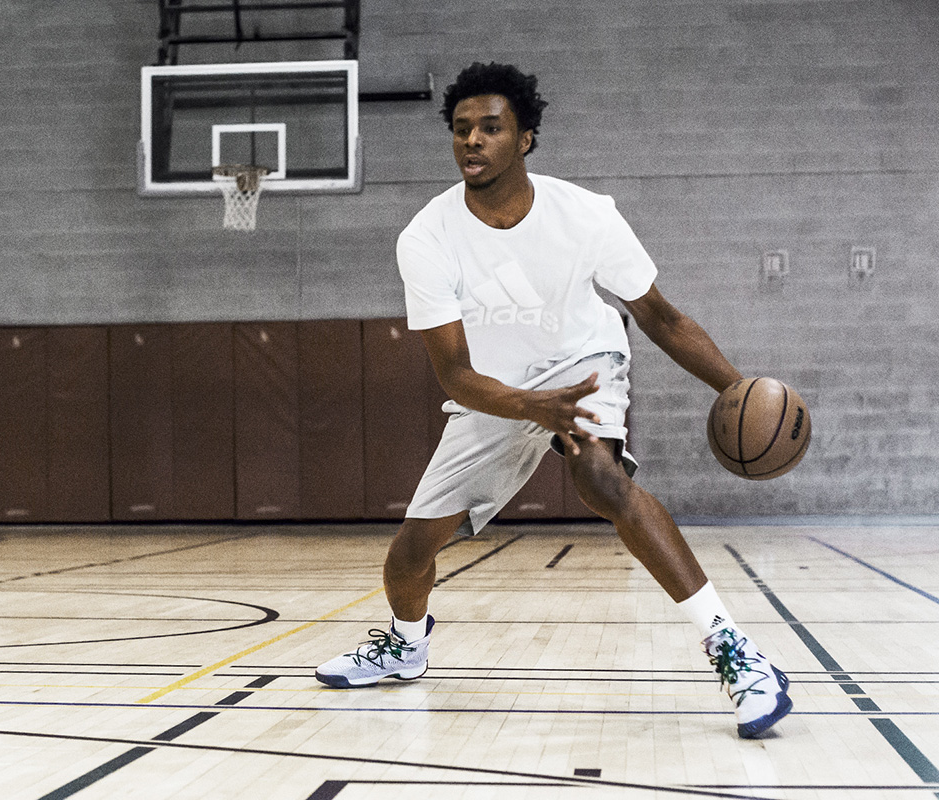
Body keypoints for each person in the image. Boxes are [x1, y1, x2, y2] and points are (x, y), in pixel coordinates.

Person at [315, 62, 792, 739]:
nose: (472, 142)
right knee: (409, 554)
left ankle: (735, 652)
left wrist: (735, 389)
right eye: (460, 130)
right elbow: (454, 373)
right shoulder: (426, 237)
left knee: (600, 477)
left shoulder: (586, 216)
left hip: (584, 365)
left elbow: (660, 316)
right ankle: (404, 644)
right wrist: (529, 406)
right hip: (495, 391)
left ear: (526, 138)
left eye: (490, 128)